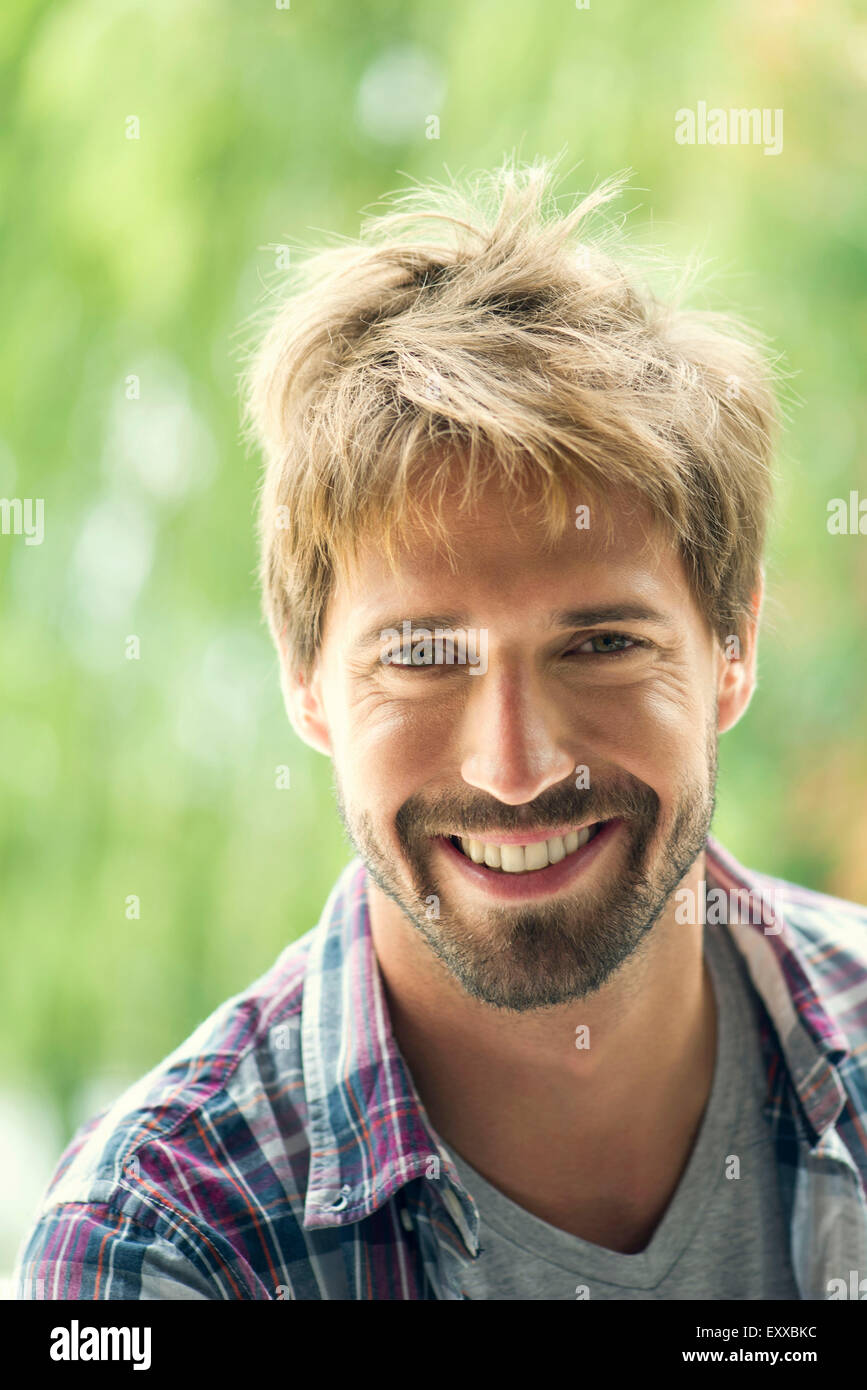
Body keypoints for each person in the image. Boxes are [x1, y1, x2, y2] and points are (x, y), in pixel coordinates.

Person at [16, 161, 867, 1300]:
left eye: (604, 644)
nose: (515, 768)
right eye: (421, 656)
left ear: (734, 645)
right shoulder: (157, 1244)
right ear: (305, 678)